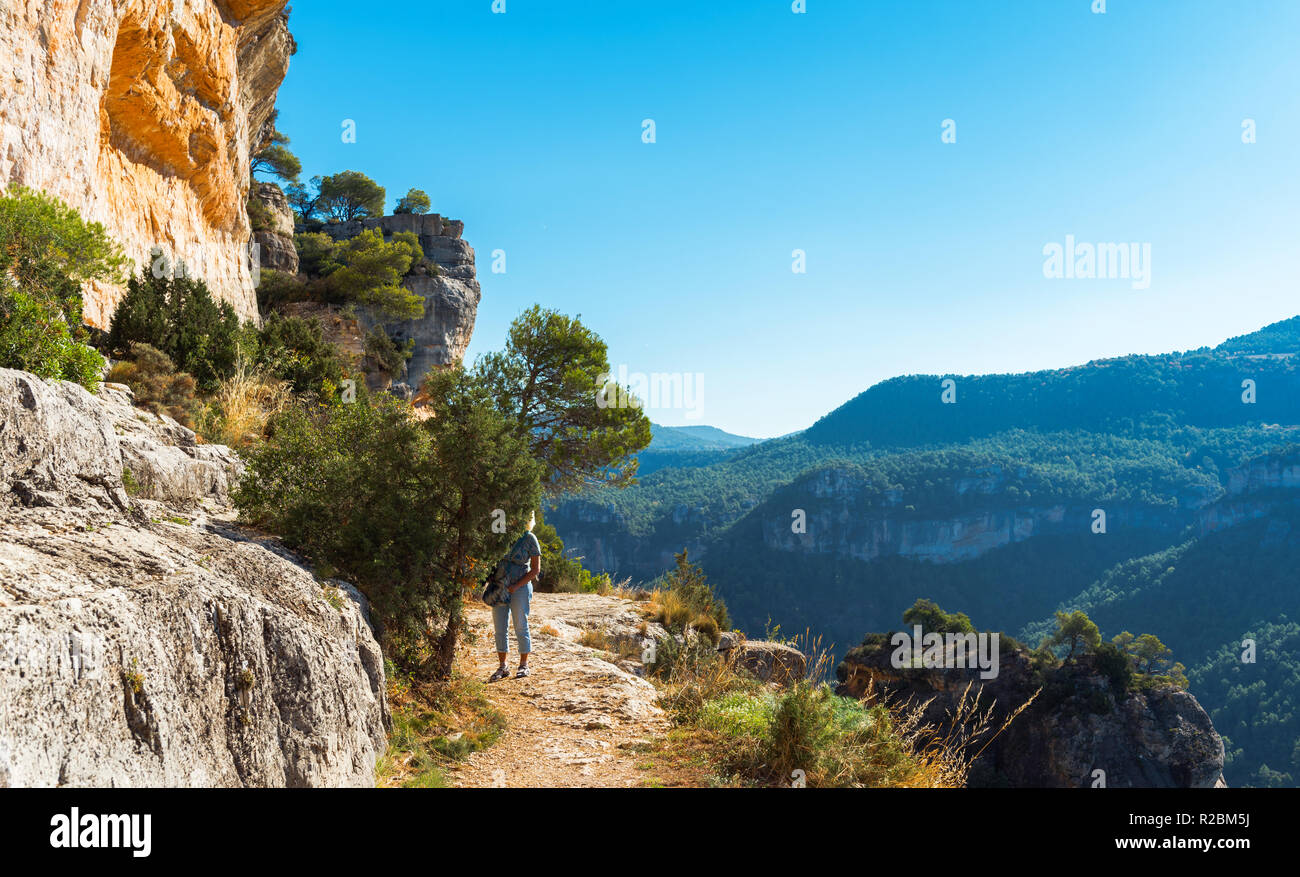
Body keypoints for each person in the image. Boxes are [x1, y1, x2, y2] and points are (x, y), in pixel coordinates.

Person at [490, 511, 541, 681]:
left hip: (520, 588)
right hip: (500, 586)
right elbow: (491, 559)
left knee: (521, 625)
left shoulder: (530, 538)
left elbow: (535, 569)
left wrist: (516, 586)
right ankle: (503, 667)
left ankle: (524, 665)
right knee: (500, 628)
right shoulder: (500, 536)